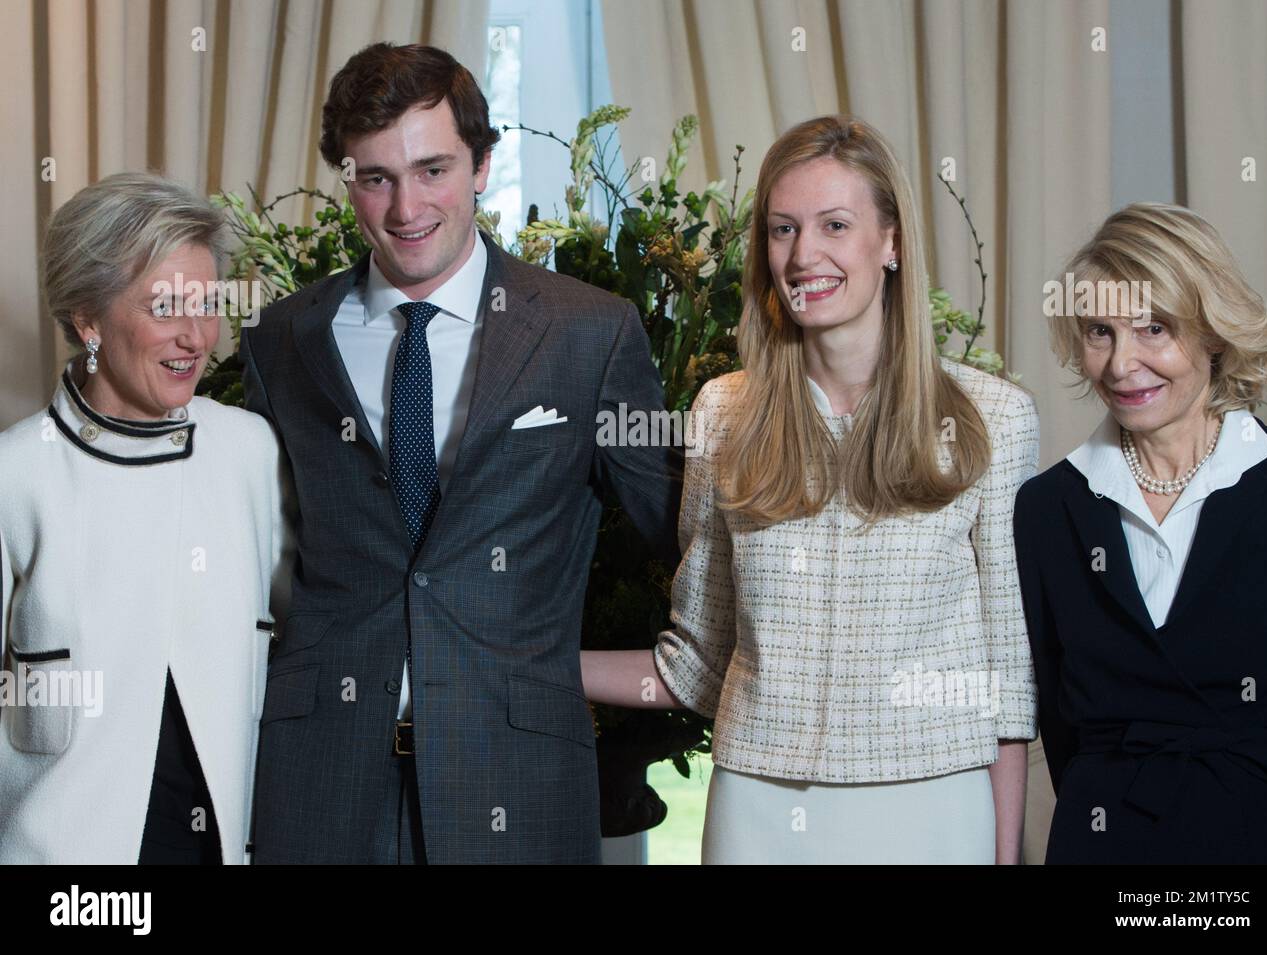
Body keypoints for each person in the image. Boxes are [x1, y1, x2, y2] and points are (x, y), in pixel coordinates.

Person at [240, 43, 683, 864]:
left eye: (432, 169)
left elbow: (692, 541)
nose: (406, 206)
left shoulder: (589, 332)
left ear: (482, 164)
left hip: (520, 779)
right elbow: (251, 564)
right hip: (318, 785)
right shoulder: (281, 340)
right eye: (375, 177)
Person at [581, 115, 1040, 864]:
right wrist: (525, 660)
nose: (804, 255)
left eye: (834, 224)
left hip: (934, 804)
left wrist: (1006, 853)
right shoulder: (723, 414)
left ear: (891, 242)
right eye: (783, 229)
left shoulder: (994, 417)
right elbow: (697, 658)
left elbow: (1007, 683)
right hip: (758, 809)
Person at [0, 171, 290, 863]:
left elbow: (312, 648)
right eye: (165, 306)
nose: (197, 336)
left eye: (208, 303)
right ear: (87, 318)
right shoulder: (17, 473)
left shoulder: (249, 452)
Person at [1016, 202, 1267, 863]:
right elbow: (1061, 729)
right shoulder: (1046, 510)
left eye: (1153, 329)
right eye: (1099, 332)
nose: (1122, 365)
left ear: (1213, 334)